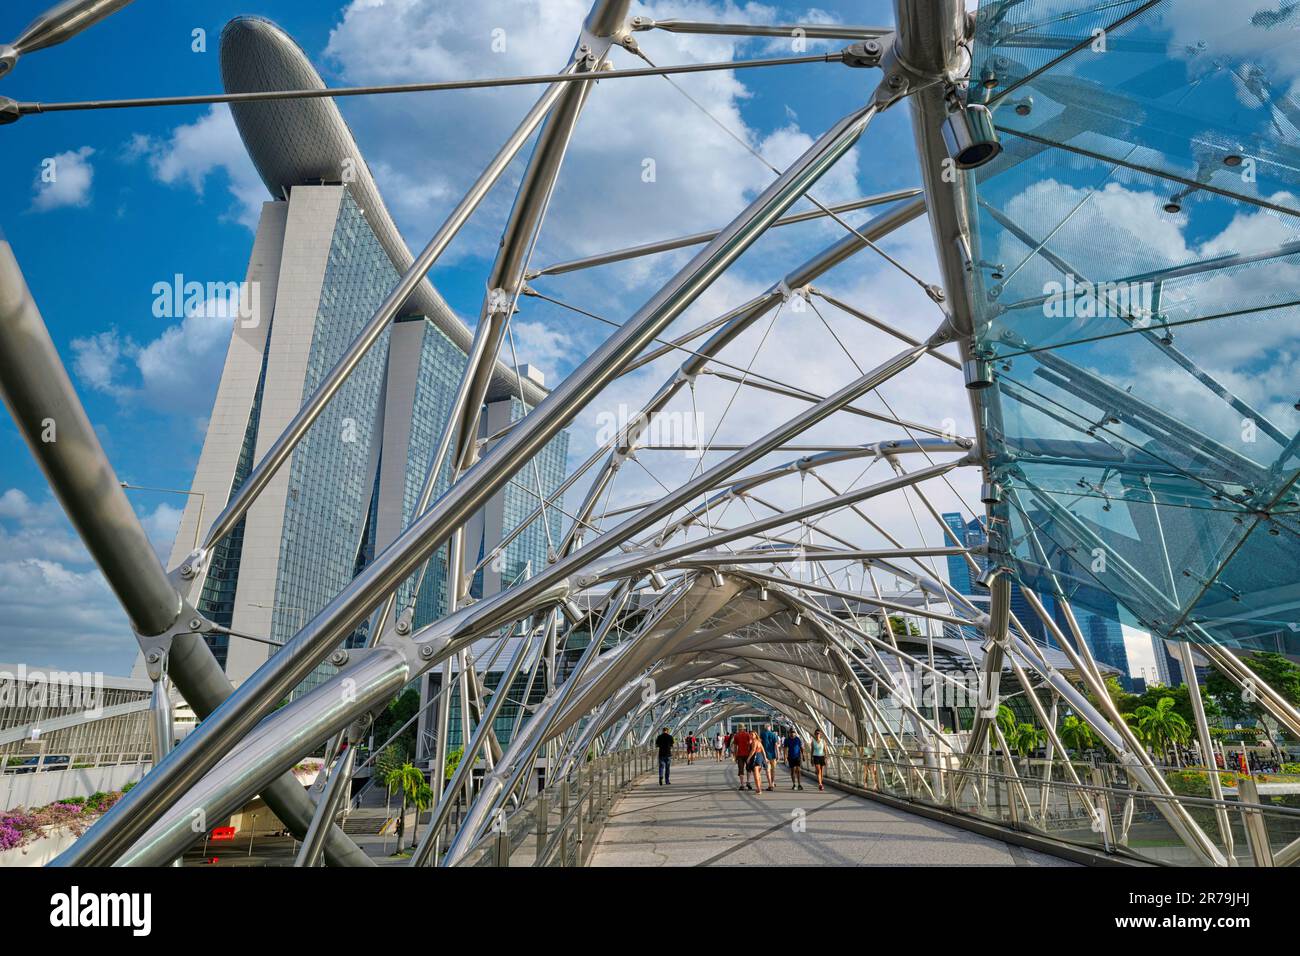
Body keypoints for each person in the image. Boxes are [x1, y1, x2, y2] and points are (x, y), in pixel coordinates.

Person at [731, 726, 754, 790]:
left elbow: (735, 747)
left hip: (740, 755)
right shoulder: (748, 735)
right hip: (748, 754)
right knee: (748, 768)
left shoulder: (736, 736)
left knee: (741, 770)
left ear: (739, 729)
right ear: (744, 728)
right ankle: (748, 782)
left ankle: (742, 785)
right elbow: (751, 743)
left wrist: (735, 756)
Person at [759, 723, 780, 791]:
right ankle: (772, 782)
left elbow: (760, 744)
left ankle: (770, 784)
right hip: (773, 755)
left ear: (765, 728)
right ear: (770, 727)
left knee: (767, 771)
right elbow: (776, 745)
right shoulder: (773, 734)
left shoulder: (762, 734)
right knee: (773, 770)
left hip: (765, 756)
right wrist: (778, 754)